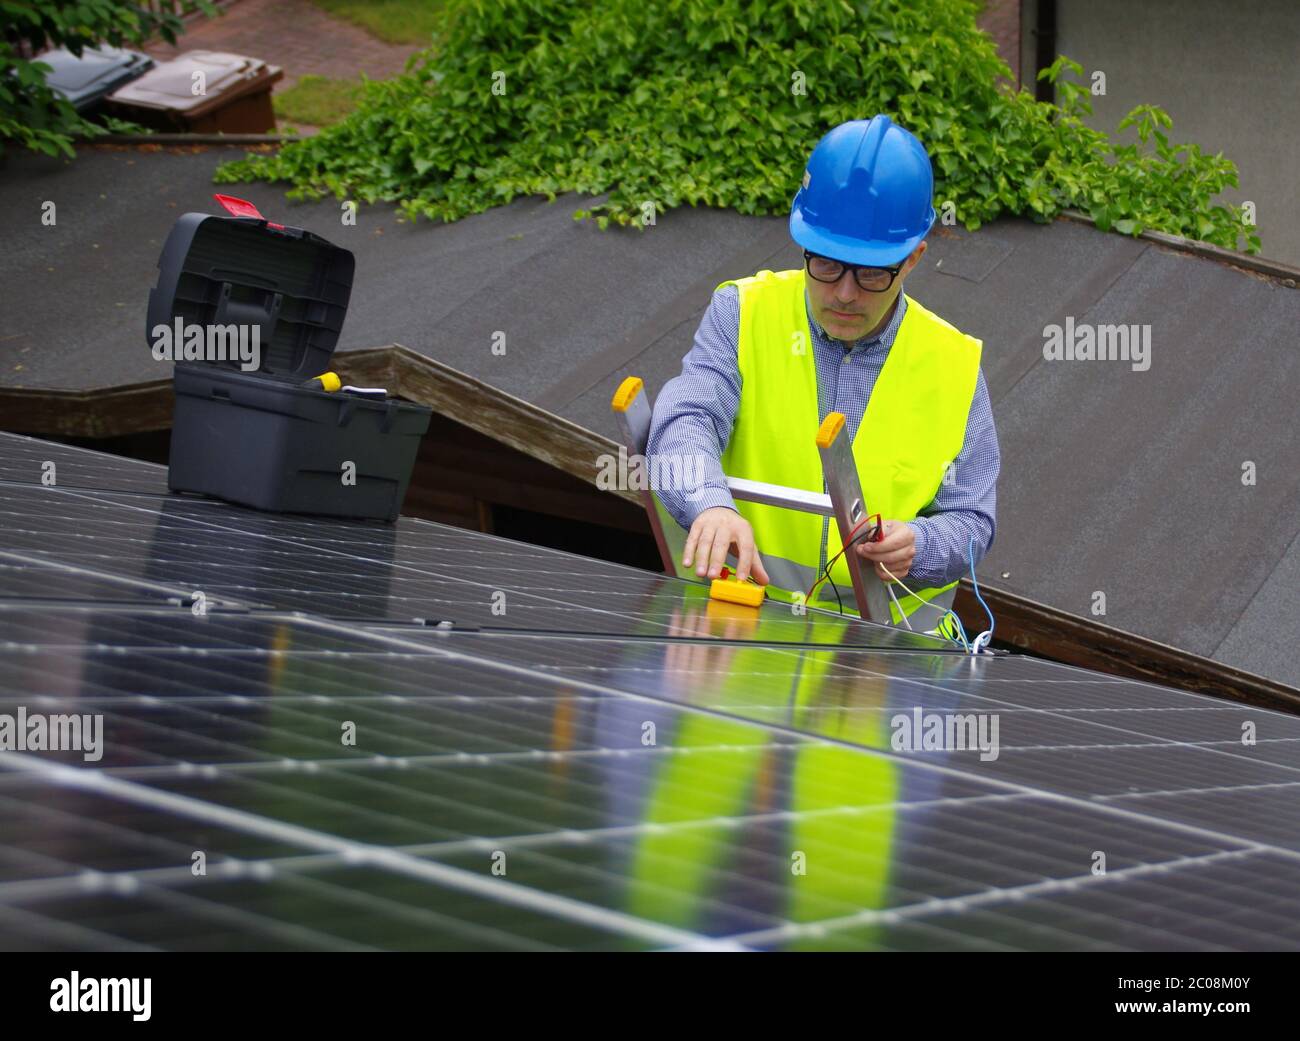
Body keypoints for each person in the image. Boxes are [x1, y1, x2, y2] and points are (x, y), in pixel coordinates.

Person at [647, 114, 1000, 627]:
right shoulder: (742, 313)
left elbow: (972, 520)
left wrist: (920, 546)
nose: (844, 292)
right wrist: (709, 505)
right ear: (804, 243)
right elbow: (686, 419)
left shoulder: (955, 365)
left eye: (873, 272)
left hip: (885, 677)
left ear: (914, 258)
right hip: (744, 644)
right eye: (828, 264)